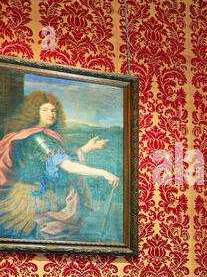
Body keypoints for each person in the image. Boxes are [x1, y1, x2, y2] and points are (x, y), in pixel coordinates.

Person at [0, 91, 119, 240]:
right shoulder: (38, 137)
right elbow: (67, 165)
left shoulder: (45, 135)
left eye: (53, 110)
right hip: (31, 199)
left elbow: (60, 158)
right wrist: (103, 172)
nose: (51, 114)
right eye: (45, 110)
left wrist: (87, 148)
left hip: (44, 195)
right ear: (34, 112)